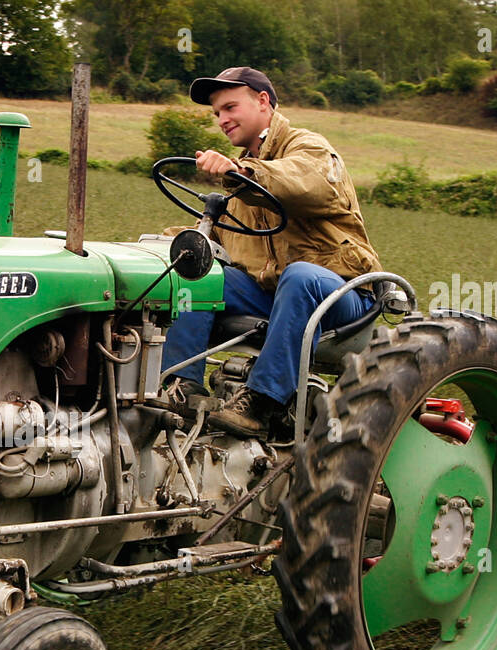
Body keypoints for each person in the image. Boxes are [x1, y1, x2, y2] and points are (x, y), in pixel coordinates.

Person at [160, 67, 383, 439]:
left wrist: (240, 171)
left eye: (230, 107)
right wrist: (150, 247)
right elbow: (208, 232)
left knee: (300, 274)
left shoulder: (308, 148)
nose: (222, 120)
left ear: (263, 101)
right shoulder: (239, 176)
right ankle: (180, 387)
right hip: (271, 295)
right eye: (216, 113)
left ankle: (262, 402)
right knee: (195, 271)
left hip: (339, 295)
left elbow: (301, 182)